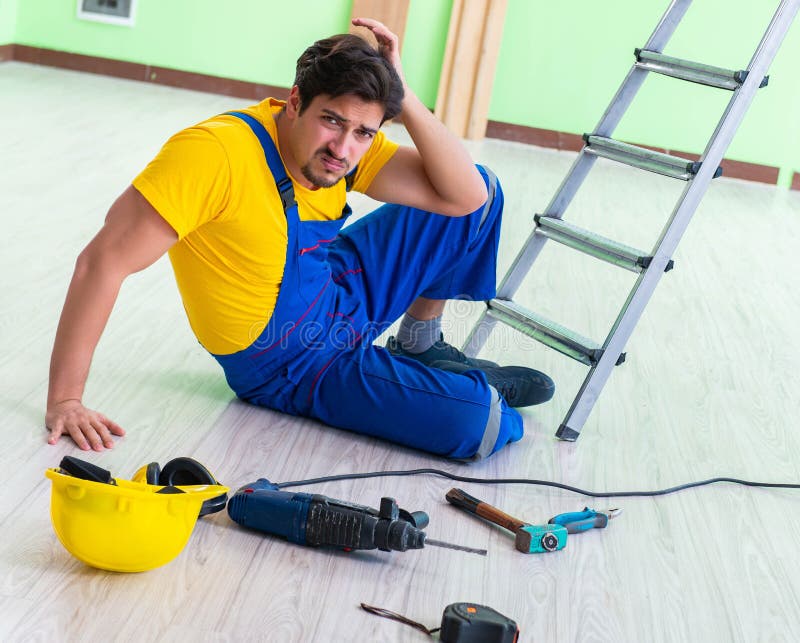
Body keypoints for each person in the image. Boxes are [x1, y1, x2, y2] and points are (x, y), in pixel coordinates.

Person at [45, 18, 554, 460]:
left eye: (364, 132)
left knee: (481, 188)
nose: (343, 148)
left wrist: (405, 95)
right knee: (483, 424)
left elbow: (465, 198)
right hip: (294, 363)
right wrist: (66, 400)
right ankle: (452, 392)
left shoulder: (350, 146)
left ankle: (419, 351)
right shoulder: (214, 156)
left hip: (335, 293)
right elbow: (101, 262)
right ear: (295, 102)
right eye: (332, 121)